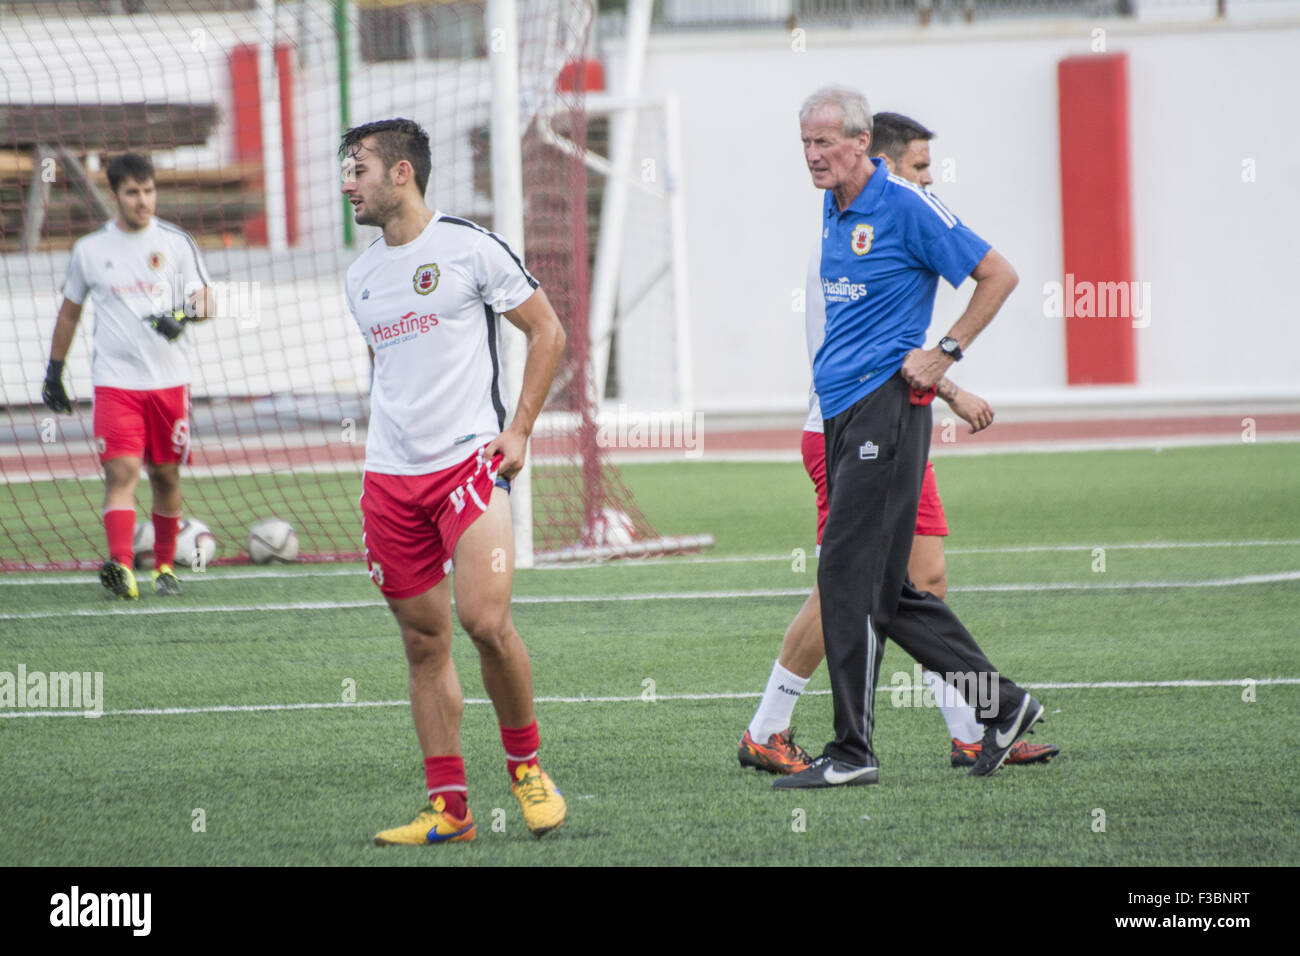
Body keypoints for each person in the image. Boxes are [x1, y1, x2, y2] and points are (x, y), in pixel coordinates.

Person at [738, 112, 1058, 774]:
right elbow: (868, 346)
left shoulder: (881, 214)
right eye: (917, 166)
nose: (927, 180)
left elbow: (890, 337)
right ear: (878, 160)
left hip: (887, 417)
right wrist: (947, 375)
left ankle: (978, 718)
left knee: (904, 580)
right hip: (847, 424)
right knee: (852, 586)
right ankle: (780, 728)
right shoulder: (855, 218)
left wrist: (944, 373)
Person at [339, 118, 568, 844]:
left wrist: (521, 428)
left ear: (402, 173)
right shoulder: (361, 276)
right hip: (390, 479)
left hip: (471, 463)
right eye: (347, 170)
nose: (349, 183)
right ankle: (450, 808)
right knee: (422, 642)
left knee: (485, 622)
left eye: (360, 169)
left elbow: (548, 332)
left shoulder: (470, 246)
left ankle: (527, 769)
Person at [42, 152, 214, 600]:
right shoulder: (90, 250)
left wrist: (181, 315)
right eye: (133, 192)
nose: (143, 200)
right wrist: (54, 371)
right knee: (121, 471)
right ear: (115, 195)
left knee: (166, 477)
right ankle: (120, 565)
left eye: (149, 190)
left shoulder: (176, 243)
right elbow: (69, 314)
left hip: (170, 383)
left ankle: (163, 567)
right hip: (115, 383)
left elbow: (206, 300)